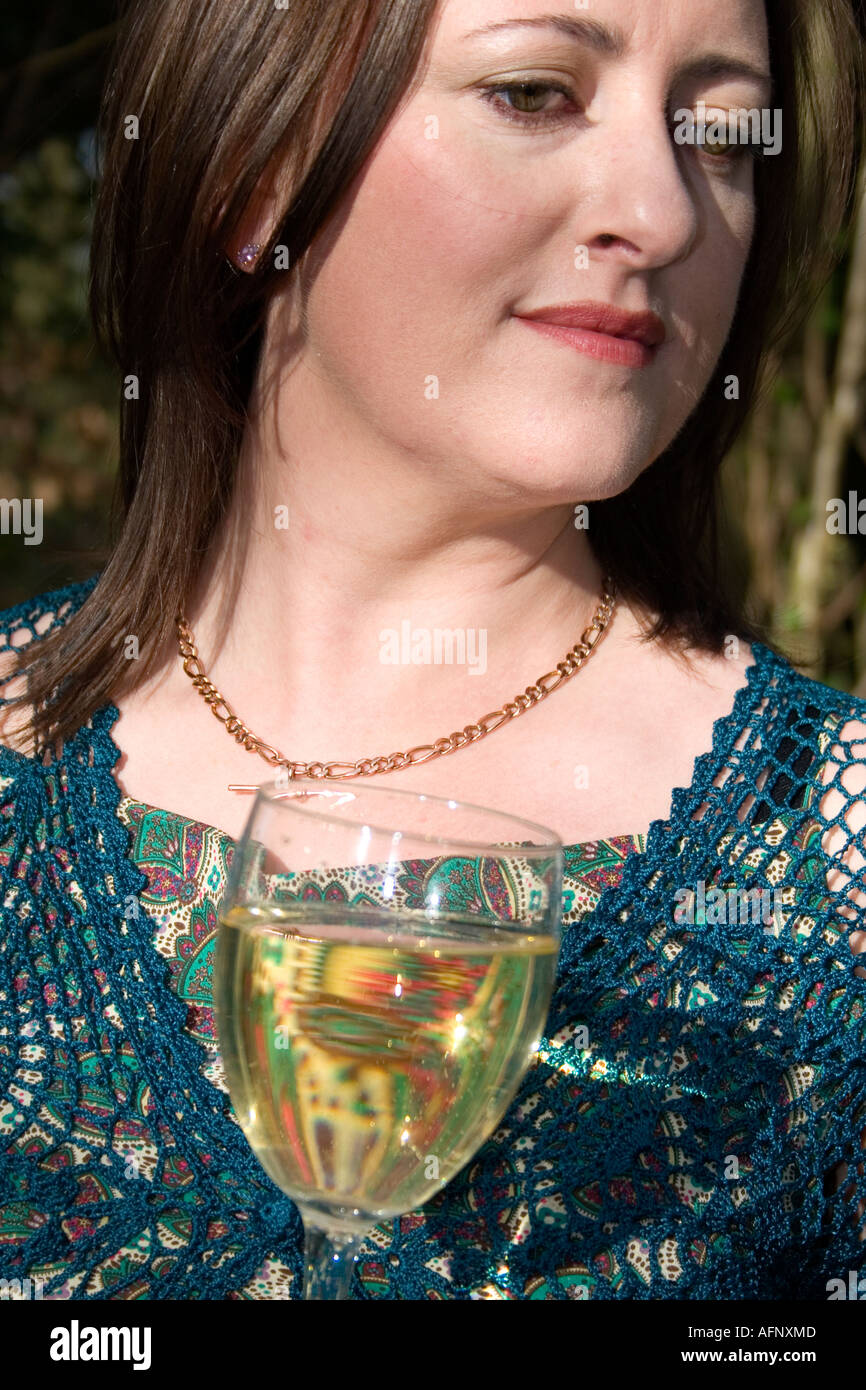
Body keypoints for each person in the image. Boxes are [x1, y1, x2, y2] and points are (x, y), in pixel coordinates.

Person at [0, 0, 864, 1300]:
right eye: (533, 92)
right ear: (250, 165)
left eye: (723, 136)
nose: (666, 212)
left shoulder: (834, 858)